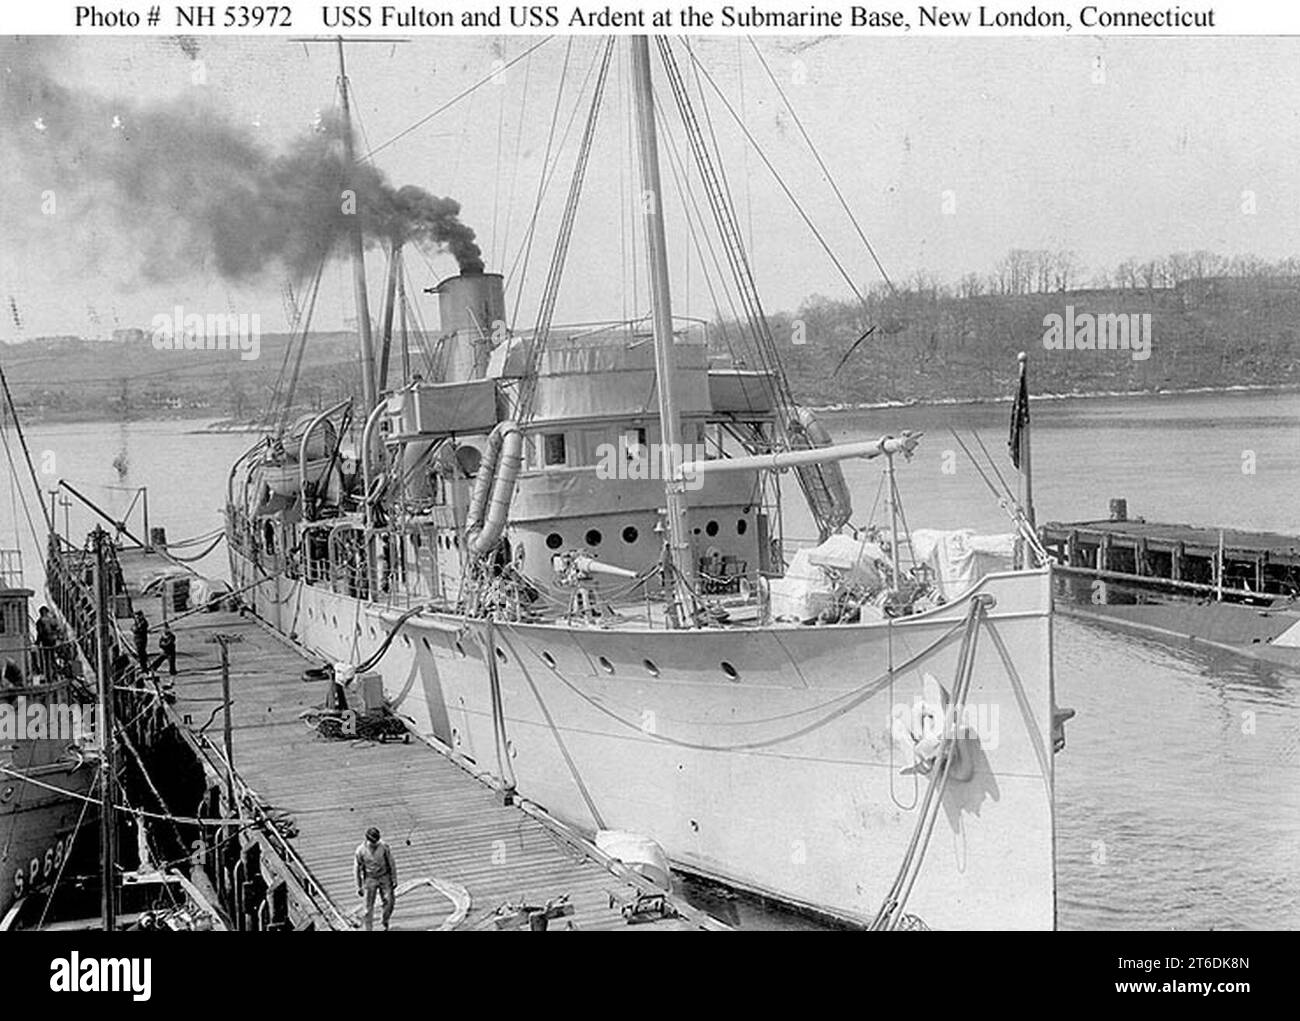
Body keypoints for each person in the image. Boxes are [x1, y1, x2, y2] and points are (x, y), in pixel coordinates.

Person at [354, 826, 397, 931]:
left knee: (389, 901)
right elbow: (357, 869)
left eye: (377, 842)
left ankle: (384, 920)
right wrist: (358, 886)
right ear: (367, 840)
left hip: (384, 876)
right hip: (370, 878)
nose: (375, 844)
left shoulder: (384, 847)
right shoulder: (360, 850)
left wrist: (394, 878)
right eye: (373, 842)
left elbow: (391, 862)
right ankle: (368, 929)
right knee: (367, 909)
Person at [34, 606, 59, 680]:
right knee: (52, 658)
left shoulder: (40, 621)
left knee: (45, 659)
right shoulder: (52, 620)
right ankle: (55, 673)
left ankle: (47, 676)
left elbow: (40, 634)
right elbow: (57, 629)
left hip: (46, 642)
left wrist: (37, 643)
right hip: (53, 642)